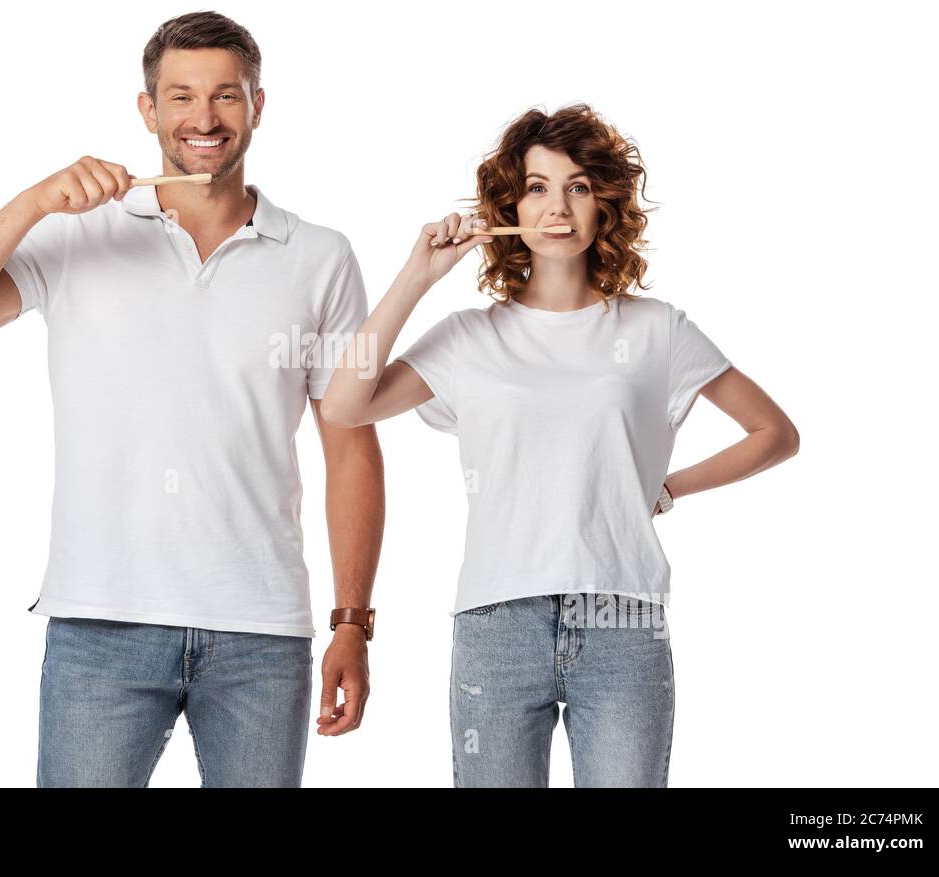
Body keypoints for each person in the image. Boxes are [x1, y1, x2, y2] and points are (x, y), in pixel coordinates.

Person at [0, 11, 384, 787]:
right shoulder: (77, 234)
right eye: (181, 96)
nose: (204, 118)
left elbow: (350, 444)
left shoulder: (321, 257)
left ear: (258, 106)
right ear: (147, 111)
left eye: (226, 96)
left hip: (260, 633)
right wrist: (31, 203)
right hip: (101, 625)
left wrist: (353, 621)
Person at [321, 103, 799, 787]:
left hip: (623, 620)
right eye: (537, 187)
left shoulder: (659, 331)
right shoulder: (468, 338)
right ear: (510, 204)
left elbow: (776, 433)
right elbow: (343, 403)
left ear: (604, 203)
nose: (557, 206)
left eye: (577, 186)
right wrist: (416, 277)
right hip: (498, 626)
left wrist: (668, 486)